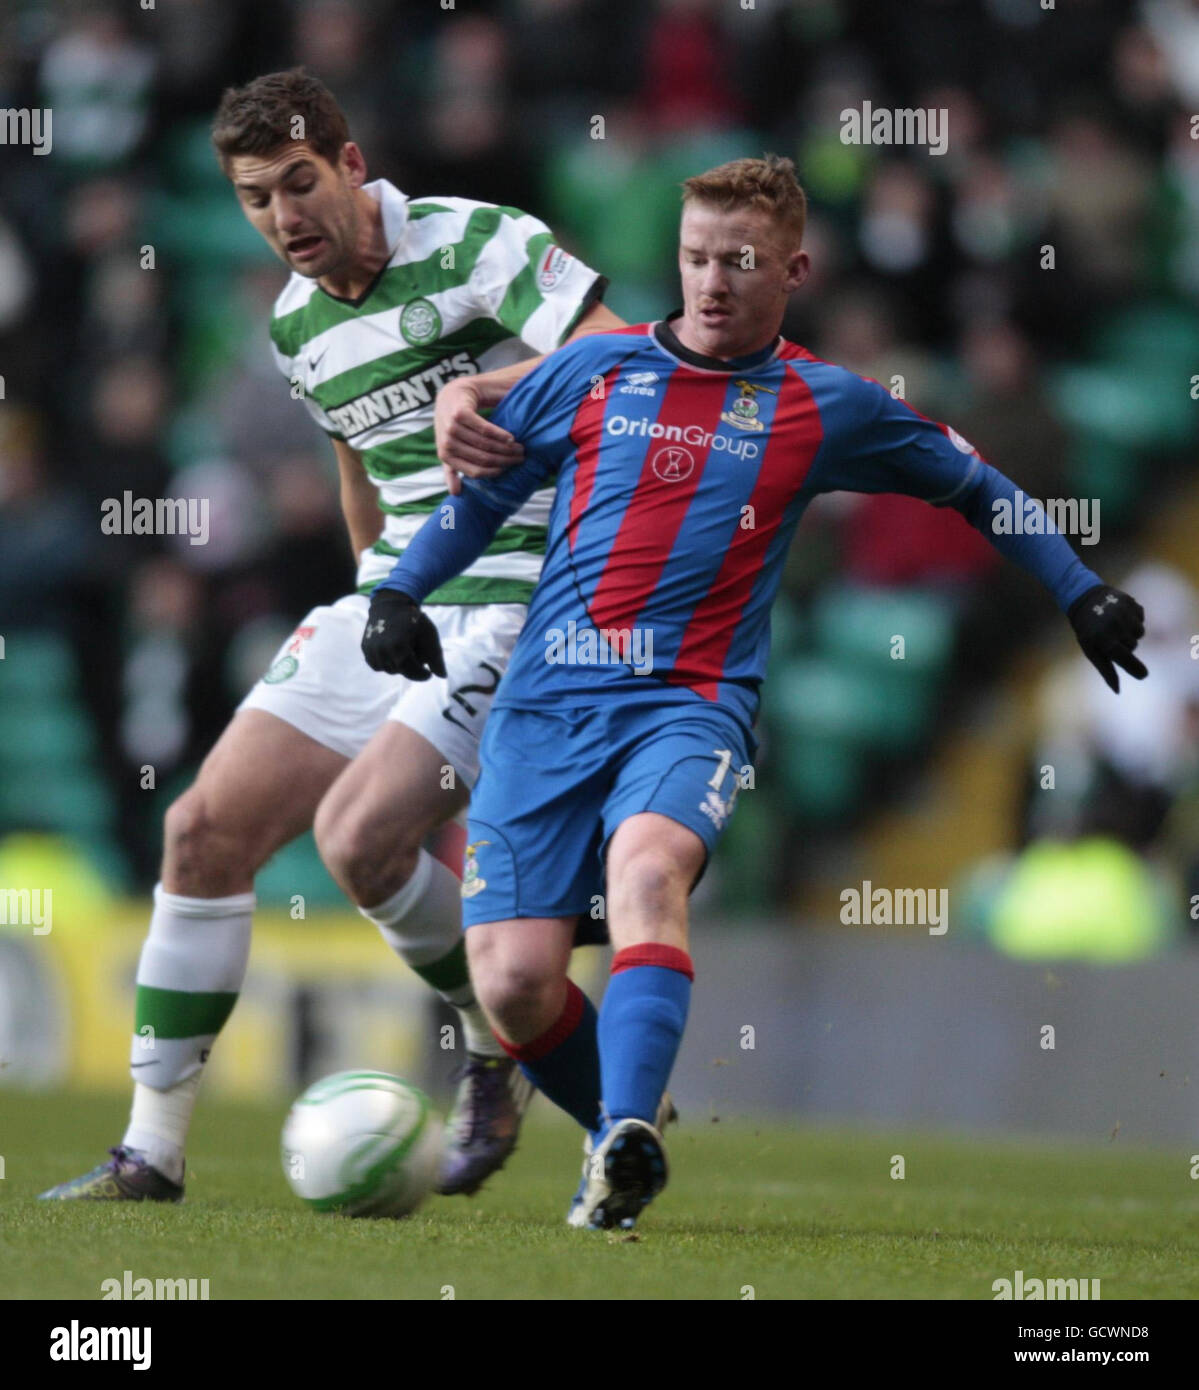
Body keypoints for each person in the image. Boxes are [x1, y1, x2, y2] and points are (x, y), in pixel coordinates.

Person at [360, 155, 1148, 1230]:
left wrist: (1079, 590)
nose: (711, 281)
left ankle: (622, 1145)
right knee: (511, 986)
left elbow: (975, 483)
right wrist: (399, 591)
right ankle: (617, 1128)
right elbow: (480, 498)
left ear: (794, 268)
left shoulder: (825, 404)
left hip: (688, 703)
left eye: (738, 260)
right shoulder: (593, 374)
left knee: (648, 872)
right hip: (545, 708)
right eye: (693, 257)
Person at [40, 68, 622, 1204]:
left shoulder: (473, 243)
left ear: (351, 164)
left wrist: (485, 391)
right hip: (394, 597)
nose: (282, 218)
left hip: (523, 592)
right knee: (201, 829)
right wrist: (368, 597)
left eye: (299, 184)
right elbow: (356, 471)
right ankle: (150, 1152)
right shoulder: (297, 325)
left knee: (359, 842)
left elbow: (624, 353)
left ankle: (534, 1065)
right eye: (256, 198)